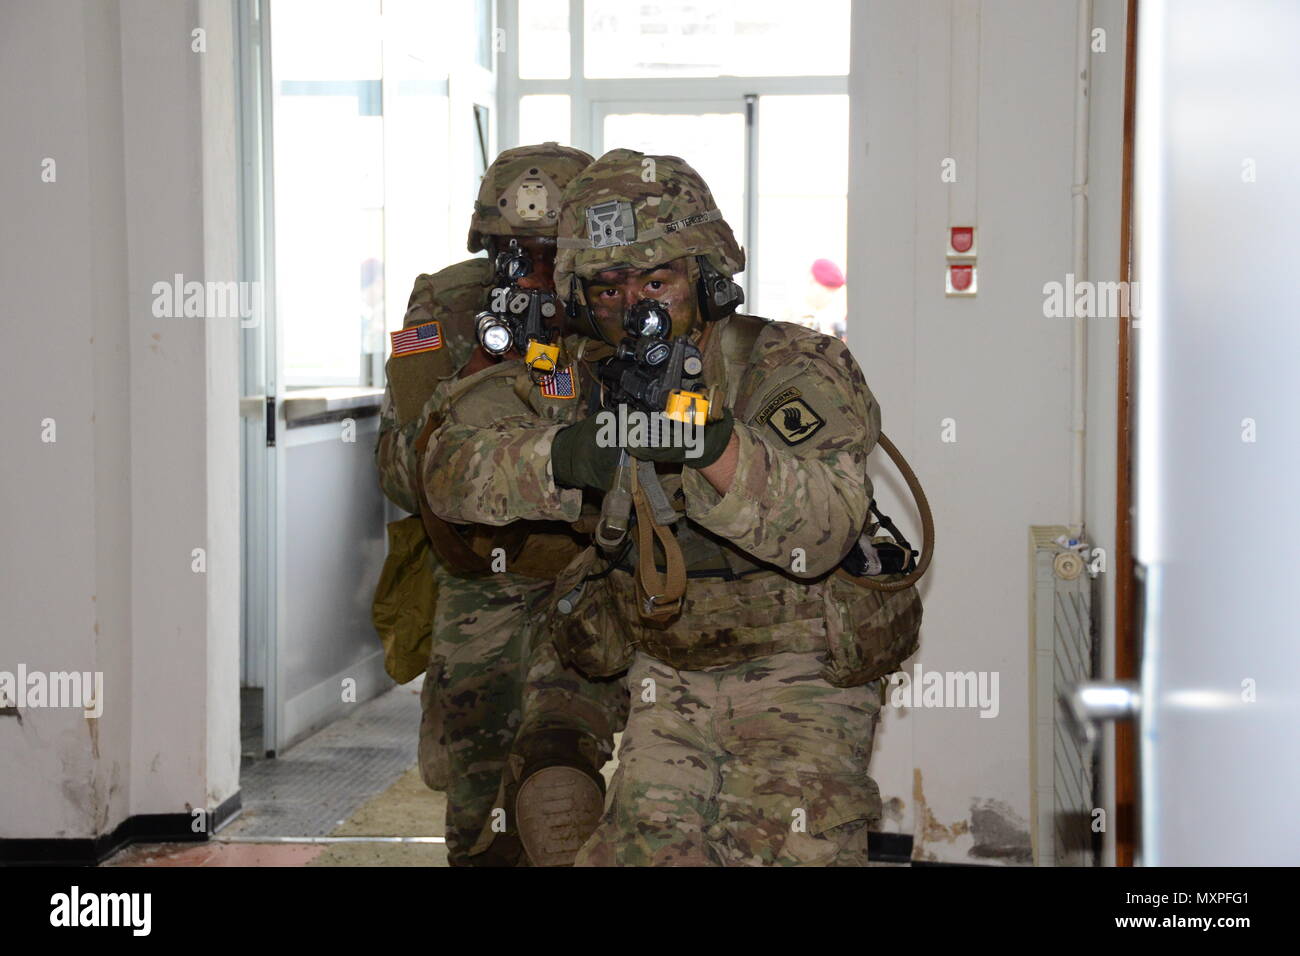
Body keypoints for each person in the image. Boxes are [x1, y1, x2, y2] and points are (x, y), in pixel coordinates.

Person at [424, 148, 918, 865]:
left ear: (708, 277)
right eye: (609, 289)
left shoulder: (788, 364)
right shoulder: (574, 376)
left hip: (798, 668)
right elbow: (449, 468)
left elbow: (826, 523)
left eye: (657, 281)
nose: (635, 309)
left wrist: (708, 446)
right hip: (670, 667)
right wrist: (569, 455)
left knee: (785, 847)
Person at [374, 143, 625, 866]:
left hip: (584, 576)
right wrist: (474, 385)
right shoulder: (441, 307)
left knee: (562, 785)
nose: (537, 274)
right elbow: (395, 469)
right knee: (476, 795)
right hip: (478, 581)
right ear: (486, 249)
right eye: (516, 255)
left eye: (552, 253)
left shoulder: (612, 307)